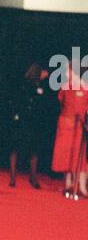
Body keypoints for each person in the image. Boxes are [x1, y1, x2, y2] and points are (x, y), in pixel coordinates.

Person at [8, 62, 53, 188]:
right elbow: (15, 101)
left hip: (34, 122)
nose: (46, 74)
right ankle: (12, 178)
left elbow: (44, 105)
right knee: (15, 148)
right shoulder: (23, 85)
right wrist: (15, 116)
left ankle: (33, 178)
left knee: (34, 151)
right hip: (21, 120)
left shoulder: (42, 87)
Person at [51, 63, 88, 196]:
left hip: (79, 127)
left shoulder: (86, 88)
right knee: (66, 155)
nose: (66, 73)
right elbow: (61, 102)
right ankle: (68, 184)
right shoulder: (65, 88)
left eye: (68, 70)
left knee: (80, 156)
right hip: (66, 125)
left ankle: (82, 186)